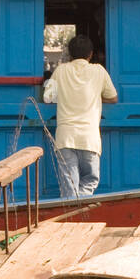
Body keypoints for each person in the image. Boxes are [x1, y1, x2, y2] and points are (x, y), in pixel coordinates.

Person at [43, 34, 118, 198]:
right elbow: (113, 98)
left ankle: (73, 213)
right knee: (90, 180)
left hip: (66, 138)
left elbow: (47, 98)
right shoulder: (99, 71)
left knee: (69, 187)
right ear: (91, 54)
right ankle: (81, 209)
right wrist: (97, 96)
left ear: (69, 54)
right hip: (89, 139)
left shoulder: (60, 70)